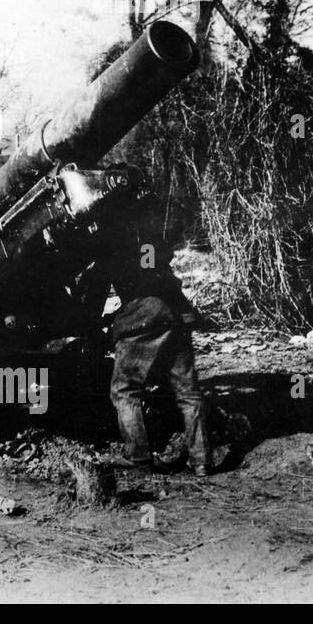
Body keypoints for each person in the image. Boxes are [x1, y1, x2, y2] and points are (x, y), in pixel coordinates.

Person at [100, 195, 210, 476]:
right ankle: (201, 461)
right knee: (188, 392)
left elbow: (100, 282)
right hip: (176, 312)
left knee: (124, 389)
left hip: (143, 317)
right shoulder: (154, 228)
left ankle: (138, 458)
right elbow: (159, 265)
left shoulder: (112, 235)